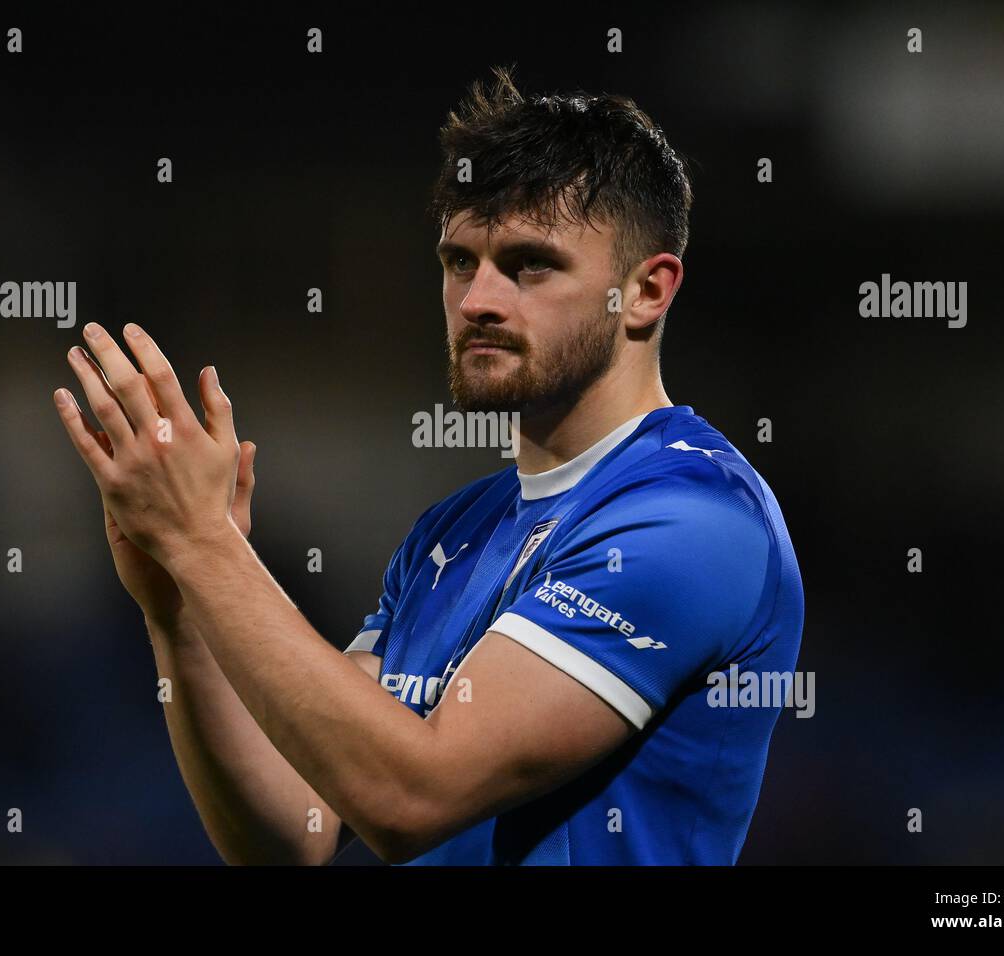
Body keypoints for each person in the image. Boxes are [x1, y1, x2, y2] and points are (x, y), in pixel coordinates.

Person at [52, 66, 804, 865]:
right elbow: (297, 833)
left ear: (647, 291)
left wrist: (207, 542)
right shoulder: (454, 531)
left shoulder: (692, 520)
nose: (478, 299)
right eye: (459, 263)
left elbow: (413, 797)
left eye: (528, 265)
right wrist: (179, 607)